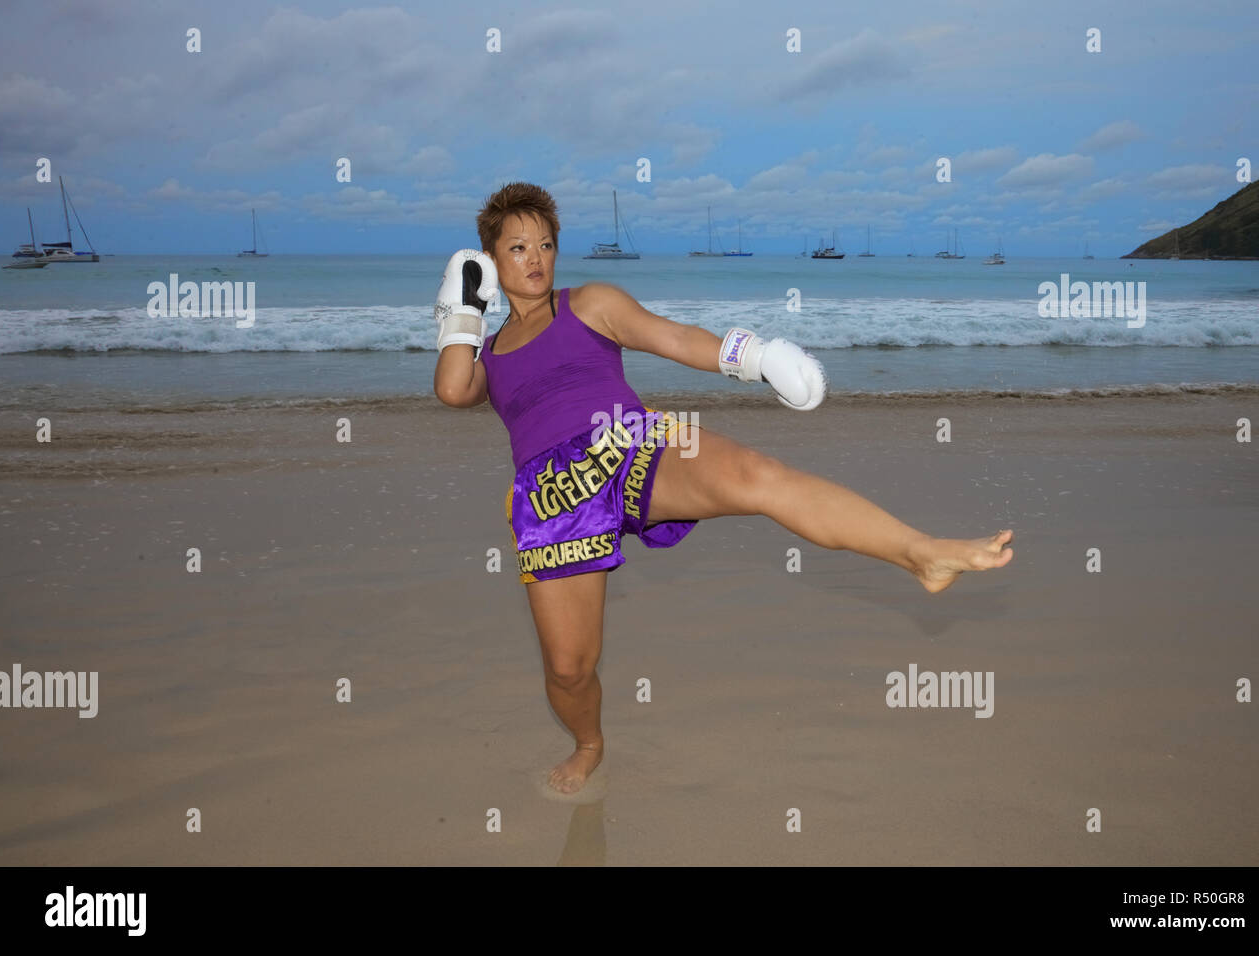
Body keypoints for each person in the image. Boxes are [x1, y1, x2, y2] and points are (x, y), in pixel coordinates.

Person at [433, 183, 1014, 795]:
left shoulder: (590, 303)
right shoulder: (490, 354)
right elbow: (452, 388)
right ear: (492, 261)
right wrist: (463, 308)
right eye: (517, 247)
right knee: (570, 669)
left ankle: (920, 552)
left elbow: (677, 338)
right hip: (554, 500)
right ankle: (590, 741)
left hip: (629, 440)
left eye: (546, 244)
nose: (535, 258)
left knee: (757, 477)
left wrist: (757, 357)